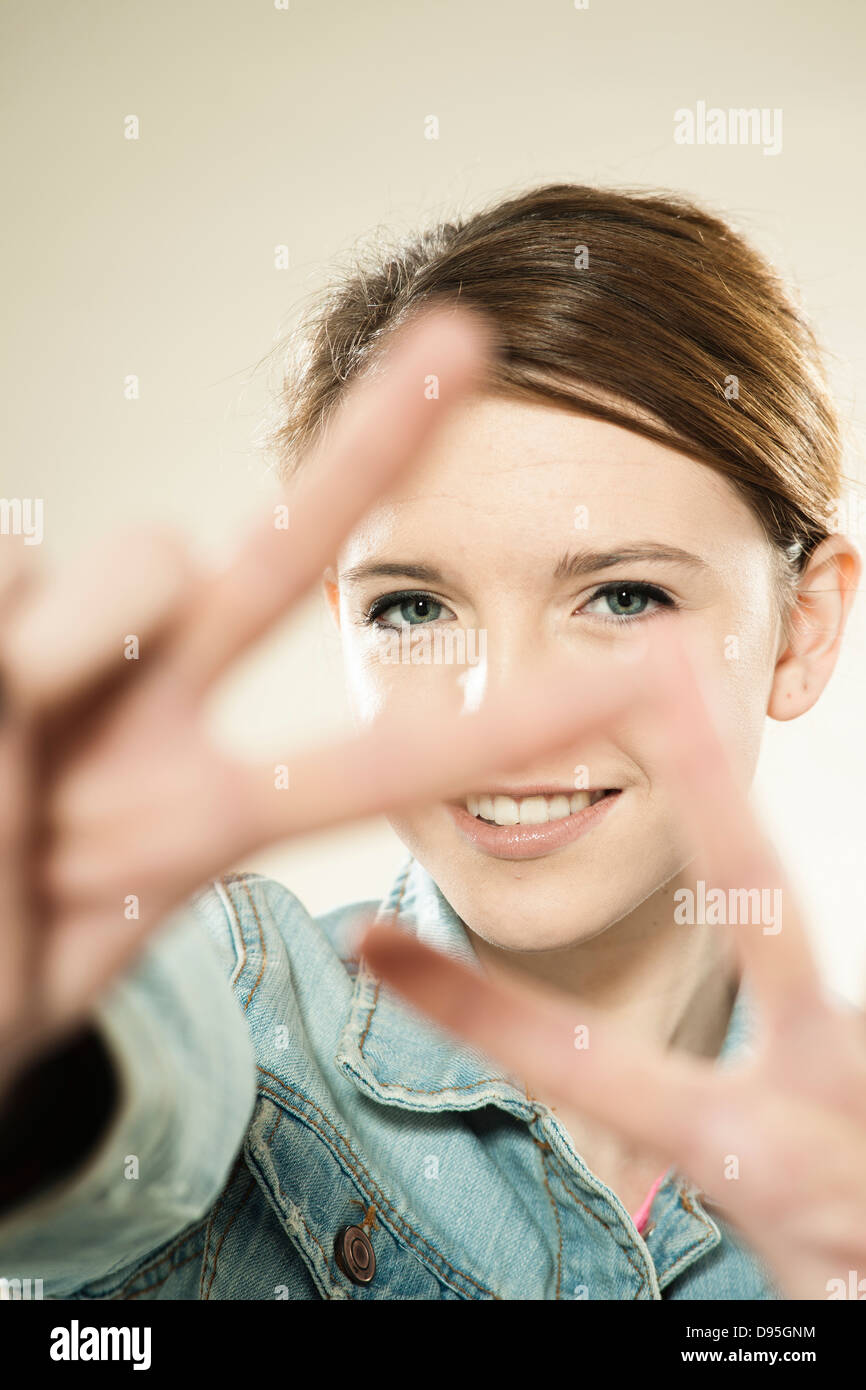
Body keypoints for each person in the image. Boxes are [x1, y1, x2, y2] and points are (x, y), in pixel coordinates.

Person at [0, 184, 864, 1301]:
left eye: (621, 596)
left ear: (803, 628)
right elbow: (102, 1156)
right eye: (412, 608)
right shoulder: (224, 1010)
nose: (489, 706)